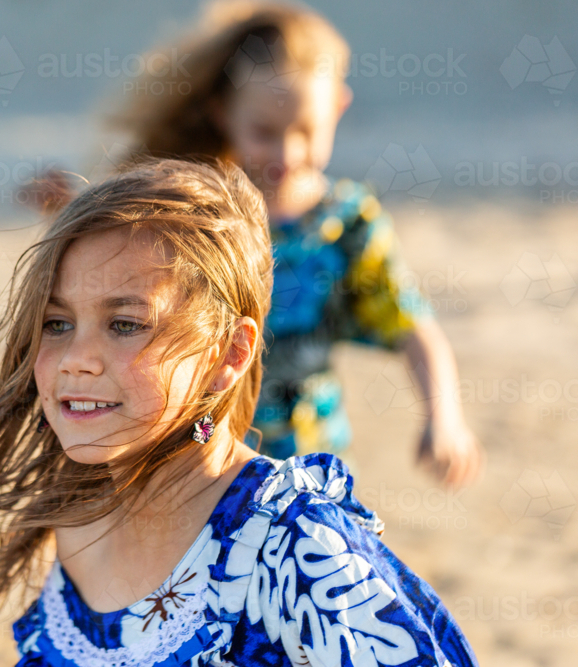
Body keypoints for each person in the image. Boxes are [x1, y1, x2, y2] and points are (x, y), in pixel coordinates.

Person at [0, 159, 478, 666]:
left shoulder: (292, 547)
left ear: (229, 354)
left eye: (125, 324)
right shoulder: (79, 520)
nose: (75, 360)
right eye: (57, 324)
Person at [108, 1, 484, 487]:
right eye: (264, 132)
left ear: (338, 109)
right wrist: (78, 206)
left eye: (306, 131)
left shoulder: (346, 224)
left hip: (307, 459)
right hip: (202, 444)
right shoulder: (201, 207)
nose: (287, 153)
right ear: (223, 112)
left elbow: (414, 327)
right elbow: (126, 264)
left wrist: (444, 419)